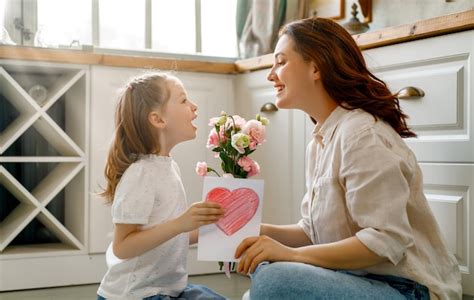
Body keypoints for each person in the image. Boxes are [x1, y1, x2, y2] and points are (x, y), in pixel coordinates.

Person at [235, 17, 462, 300]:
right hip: (357, 280)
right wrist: (251, 231)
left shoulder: (362, 134)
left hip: (406, 289)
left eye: (281, 62)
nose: (271, 75)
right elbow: (311, 231)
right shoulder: (321, 139)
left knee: (274, 279)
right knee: (268, 274)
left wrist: (291, 255)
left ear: (316, 66)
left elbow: (385, 240)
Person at [97, 72, 226, 300]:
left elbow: (168, 236)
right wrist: (180, 223)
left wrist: (213, 227)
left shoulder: (167, 167)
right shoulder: (141, 173)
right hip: (133, 295)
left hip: (167, 290)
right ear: (158, 119)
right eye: (184, 100)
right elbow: (122, 247)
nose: (194, 107)